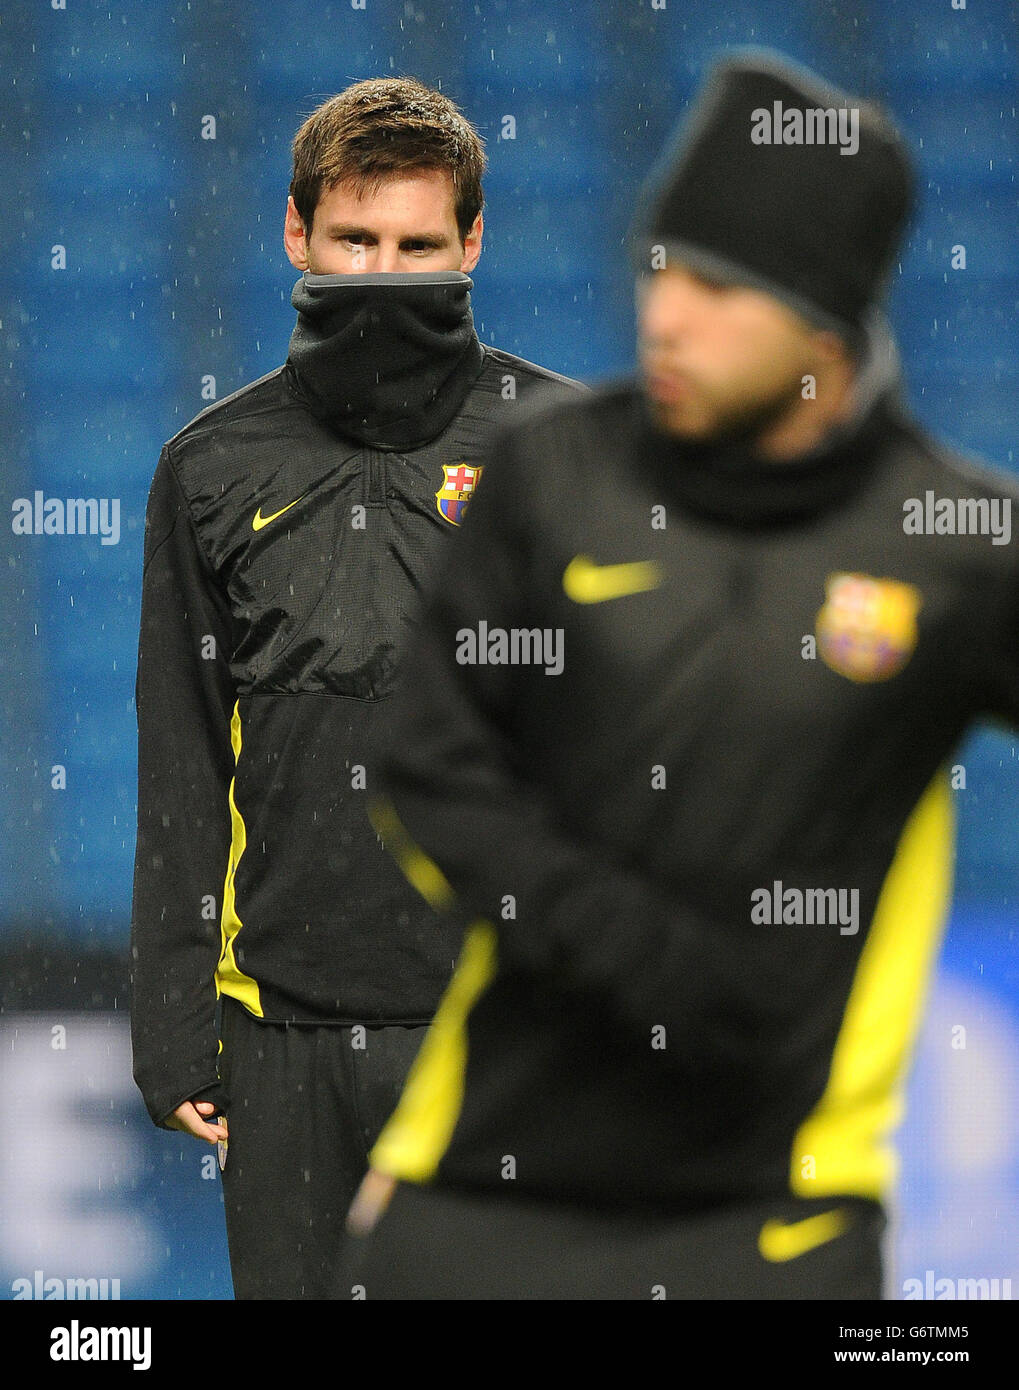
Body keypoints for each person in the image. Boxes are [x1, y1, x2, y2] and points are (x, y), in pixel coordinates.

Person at [340, 52, 1019, 1299]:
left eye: (718, 286)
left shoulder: (956, 544)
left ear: (823, 323)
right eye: (661, 267)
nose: (665, 315)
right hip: (483, 1192)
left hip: (777, 1215)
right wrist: (645, 956)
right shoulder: (554, 475)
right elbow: (424, 768)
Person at [129, 75, 583, 1299]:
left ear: (472, 244)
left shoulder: (571, 454)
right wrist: (173, 1021)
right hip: (286, 1044)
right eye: (355, 241)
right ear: (297, 233)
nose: (383, 274)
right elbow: (181, 754)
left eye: (416, 246)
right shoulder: (209, 466)